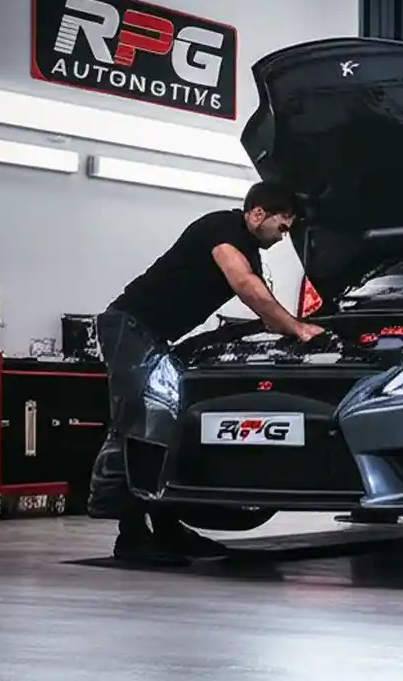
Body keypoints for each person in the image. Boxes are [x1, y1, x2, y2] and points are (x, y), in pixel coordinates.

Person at [89, 180, 326, 566]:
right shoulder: (222, 229)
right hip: (129, 327)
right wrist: (297, 328)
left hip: (153, 336)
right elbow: (247, 287)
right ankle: (130, 536)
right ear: (258, 214)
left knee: (166, 423)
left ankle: (166, 528)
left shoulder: (246, 246)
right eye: (282, 228)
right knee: (137, 426)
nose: (284, 237)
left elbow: (262, 306)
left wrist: (289, 327)